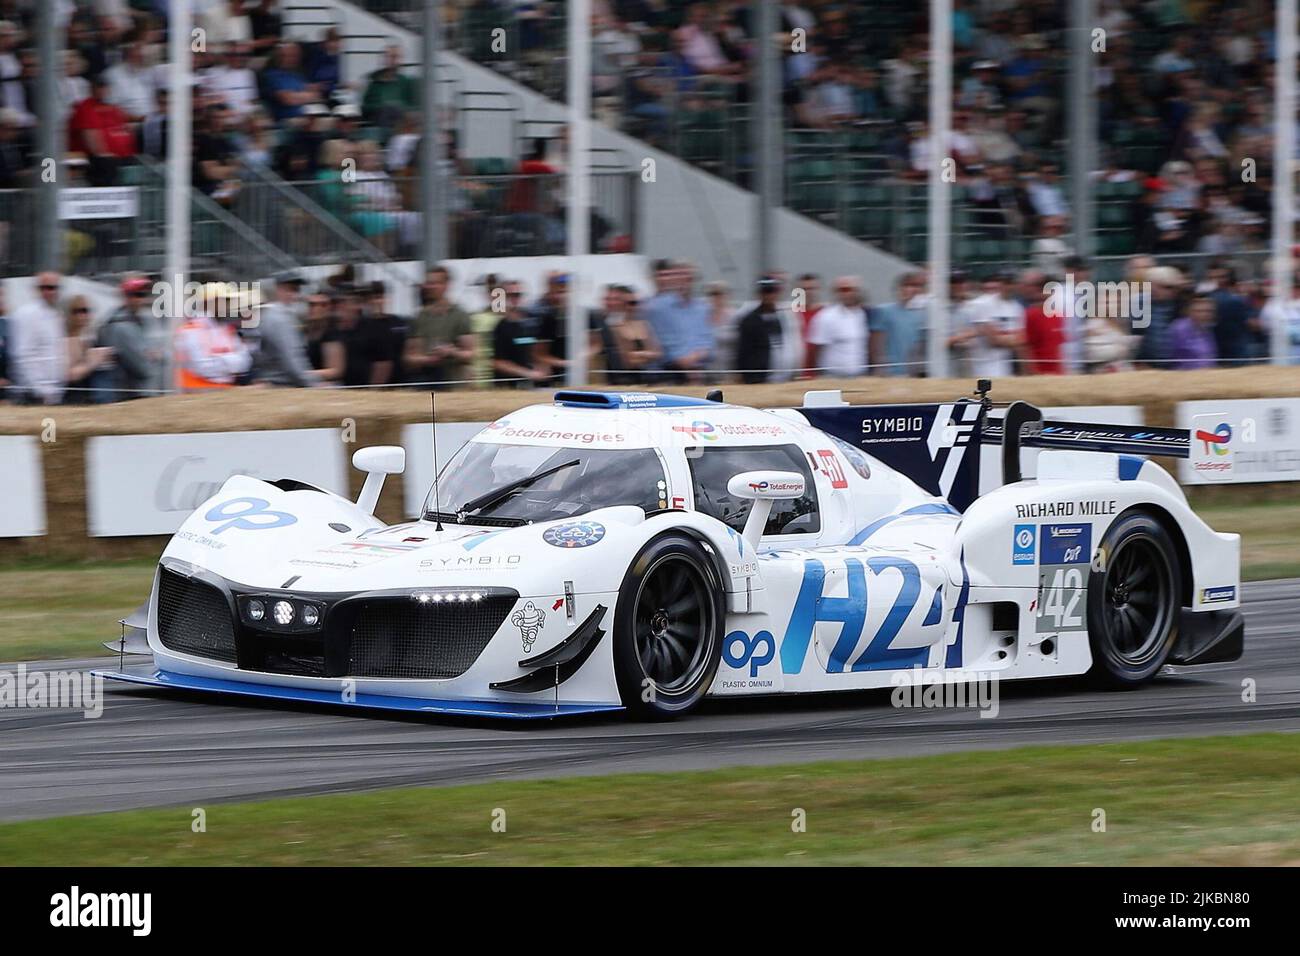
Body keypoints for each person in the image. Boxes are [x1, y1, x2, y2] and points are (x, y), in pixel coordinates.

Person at [98, 275, 168, 401]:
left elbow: (165, 352)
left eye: (143, 294)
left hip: (142, 393)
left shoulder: (145, 319)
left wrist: (155, 354)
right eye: (136, 294)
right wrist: (153, 355)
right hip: (128, 395)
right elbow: (144, 367)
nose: (141, 299)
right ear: (126, 296)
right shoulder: (120, 325)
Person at [405, 265, 475, 386]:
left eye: (435, 283)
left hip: (455, 384)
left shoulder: (460, 315)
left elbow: (470, 353)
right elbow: (410, 357)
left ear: (446, 285)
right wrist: (428, 359)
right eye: (428, 283)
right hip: (426, 383)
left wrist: (451, 352)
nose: (430, 287)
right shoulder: (421, 317)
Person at [173, 284, 252, 390]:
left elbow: (245, 362)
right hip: (196, 393)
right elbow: (202, 368)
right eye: (224, 301)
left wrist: (217, 361)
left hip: (225, 391)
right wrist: (232, 360)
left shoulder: (227, 328)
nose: (228, 305)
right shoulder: (190, 330)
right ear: (208, 303)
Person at [250, 274, 318, 387]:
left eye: (296, 290)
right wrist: (314, 384)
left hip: (276, 382)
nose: (294, 295)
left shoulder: (274, 314)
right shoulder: (279, 318)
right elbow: (292, 361)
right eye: (289, 289)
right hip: (281, 385)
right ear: (278, 290)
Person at [9, 271, 67, 404]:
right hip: (32, 395)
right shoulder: (27, 314)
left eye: (53, 287)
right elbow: (22, 354)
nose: (49, 292)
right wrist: (39, 390)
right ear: (37, 289)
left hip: (52, 393)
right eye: (44, 287)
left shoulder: (55, 315)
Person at [964, 272, 1025, 377]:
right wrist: (1014, 339)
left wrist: (1007, 338)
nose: (1008, 287)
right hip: (984, 364)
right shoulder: (983, 304)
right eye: (1005, 283)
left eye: (1011, 283)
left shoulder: (1017, 307)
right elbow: (993, 340)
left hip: (1007, 364)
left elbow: (1021, 339)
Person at [807, 276, 869, 378]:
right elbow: (815, 349)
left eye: (851, 289)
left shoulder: (862, 314)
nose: (847, 294)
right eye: (843, 290)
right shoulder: (826, 316)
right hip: (832, 376)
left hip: (859, 376)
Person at [869, 272, 927, 376]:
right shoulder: (884, 311)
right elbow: (875, 343)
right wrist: (879, 367)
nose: (911, 289)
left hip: (915, 374)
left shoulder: (924, 314)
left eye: (916, 286)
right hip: (891, 372)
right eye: (907, 285)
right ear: (899, 288)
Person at [734, 276, 787, 384]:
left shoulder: (785, 317)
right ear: (760, 294)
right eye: (765, 292)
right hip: (758, 379)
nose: (769, 295)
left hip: (784, 378)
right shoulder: (749, 320)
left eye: (772, 291)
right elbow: (742, 351)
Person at [491, 280, 545, 387]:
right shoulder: (501, 327)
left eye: (518, 295)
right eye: (510, 295)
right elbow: (497, 362)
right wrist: (527, 373)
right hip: (509, 387)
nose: (514, 299)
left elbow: (537, 351)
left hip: (532, 384)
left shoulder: (532, 321)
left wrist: (541, 366)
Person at [62, 295, 114, 403]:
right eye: (76, 311)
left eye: (85, 311)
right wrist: (93, 361)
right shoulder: (66, 340)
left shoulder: (89, 336)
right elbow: (69, 375)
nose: (81, 315)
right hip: (73, 398)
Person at [1019, 268, 1064, 374]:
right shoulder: (1031, 314)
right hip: (1040, 373)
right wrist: (1033, 373)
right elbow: (1025, 347)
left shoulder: (1057, 314)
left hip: (1057, 373)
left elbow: (1057, 347)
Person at [304, 290, 345, 383]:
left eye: (321, 305)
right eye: (311, 305)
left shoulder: (332, 334)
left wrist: (303, 374)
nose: (314, 309)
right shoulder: (306, 331)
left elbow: (335, 371)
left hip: (327, 388)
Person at [1167, 296, 1218, 370]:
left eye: (1208, 311)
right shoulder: (1178, 329)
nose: (1204, 314)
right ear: (1189, 312)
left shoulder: (1208, 328)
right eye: (1199, 311)